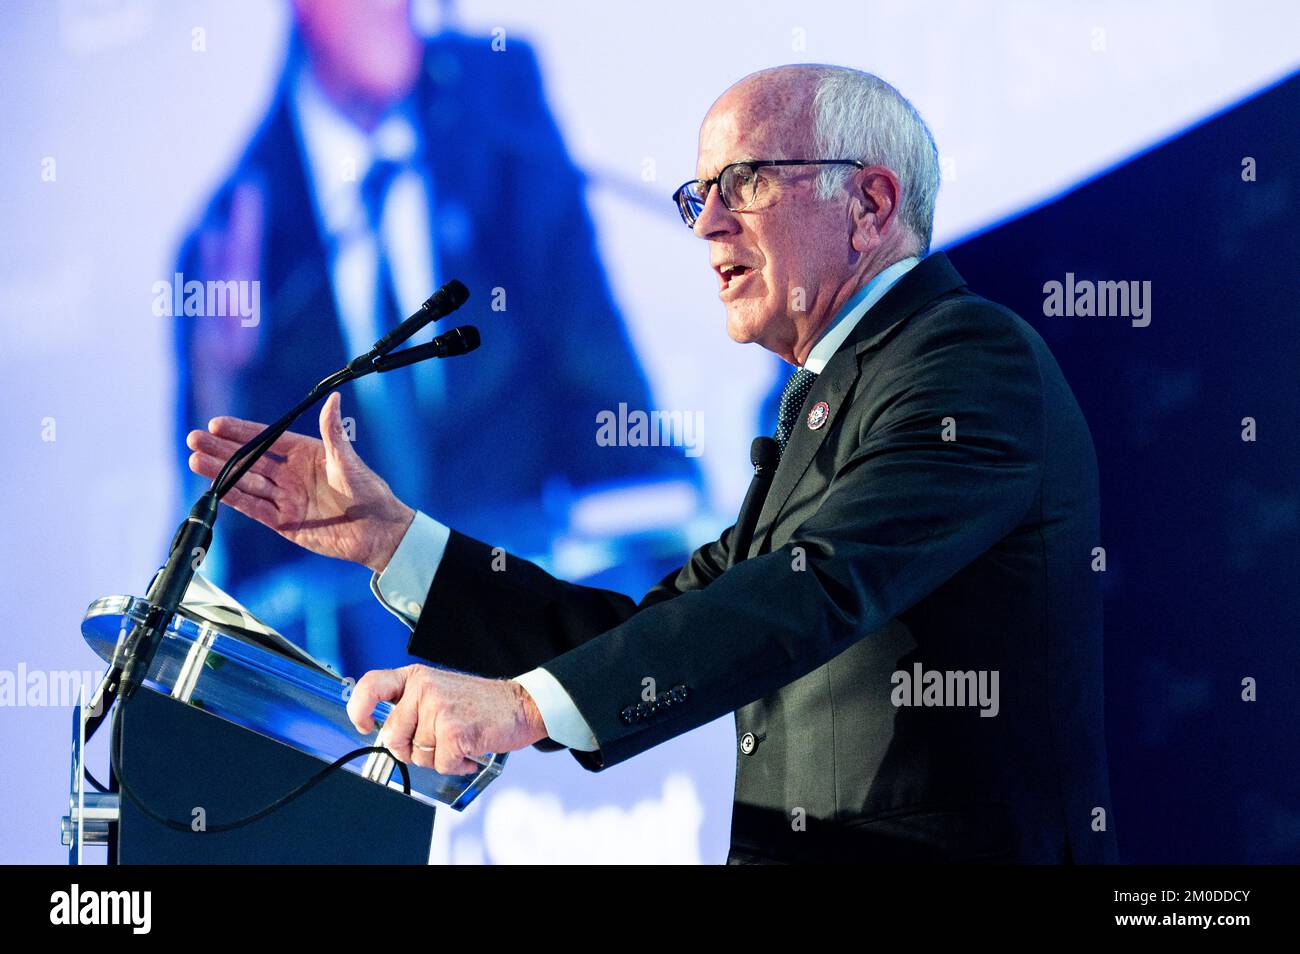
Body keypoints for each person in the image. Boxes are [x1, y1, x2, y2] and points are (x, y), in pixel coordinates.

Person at [188, 64, 1117, 863]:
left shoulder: (964, 357)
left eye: (743, 182)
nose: (706, 224)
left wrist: (520, 707)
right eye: (697, 194)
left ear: (869, 204)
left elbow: (815, 592)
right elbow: (649, 628)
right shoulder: (832, 398)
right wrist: (395, 543)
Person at [173, 0, 689, 676]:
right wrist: (221, 380)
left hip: (535, 663)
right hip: (362, 711)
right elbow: (232, 569)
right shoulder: (233, 245)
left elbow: (604, 403)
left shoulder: (500, 115)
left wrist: (699, 584)